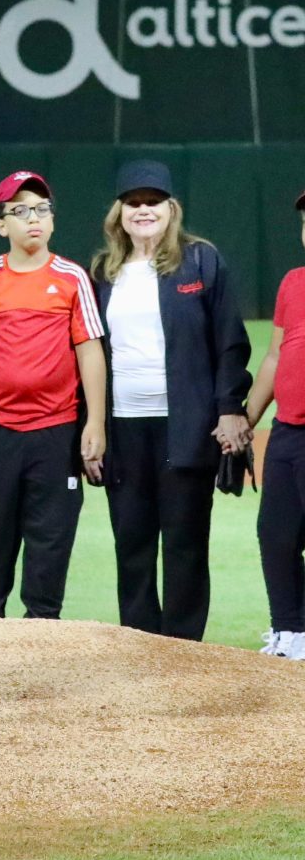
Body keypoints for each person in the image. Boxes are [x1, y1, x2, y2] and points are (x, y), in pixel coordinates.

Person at [90, 160, 251, 641]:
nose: (143, 210)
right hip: (125, 427)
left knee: (185, 543)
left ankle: (183, 650)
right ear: (118, 212)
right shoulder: (102, 271)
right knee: (132, 542)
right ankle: (140, 645)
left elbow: (229, 340)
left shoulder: (200, 261)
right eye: (133, 202)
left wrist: (229, 407)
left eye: (153, 201)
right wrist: (91, 427)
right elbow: (88, 352)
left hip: (186, 425)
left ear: (171, 208)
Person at [0, 171, 106, 619]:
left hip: (56, 431)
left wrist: (95, 423)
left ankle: (42, 629)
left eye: (41, 209)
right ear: (2, 225)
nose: (32, 218)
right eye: (20, 211)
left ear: (52, 221)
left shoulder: (71, 278)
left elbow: (90, 349)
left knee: (50, 540)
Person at [245, 189, 305, 660]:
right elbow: (273, 356)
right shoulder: (293, 282)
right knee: (277, 533)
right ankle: (290, 633)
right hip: (287, 431)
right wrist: (247, 420)